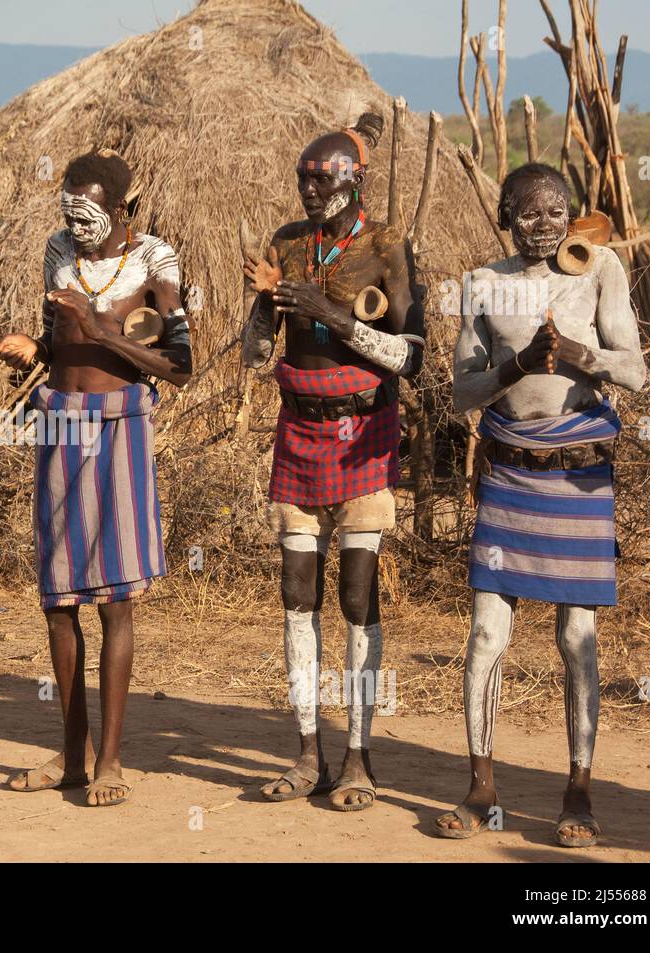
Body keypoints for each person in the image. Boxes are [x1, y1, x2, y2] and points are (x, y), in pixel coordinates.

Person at [436, 163, 645, 847]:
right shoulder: (484, 284)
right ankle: (480, 785)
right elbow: (463, 393)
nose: (544, 225)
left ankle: (578, 791)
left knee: (576, 640)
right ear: (505, 213)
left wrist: (582, 355)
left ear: (571, 215)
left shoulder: (600, 269)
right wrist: (518, 365)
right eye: (529, 212)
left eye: (556, 212)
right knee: (485, 637)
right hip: (508, 474)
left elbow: (635, 370)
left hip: (578, 481)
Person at [0, 149, 193, 806]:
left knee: (114, 601)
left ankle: (110, 760)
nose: (75, 225)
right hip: (58, 427)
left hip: (120, 430)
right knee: (57, 600)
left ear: (121, 209)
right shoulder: (58, 250)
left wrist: (94, 327)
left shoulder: (156, 262)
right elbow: (63, 340)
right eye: (68, 212)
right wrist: (42, 346)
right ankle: (72, 755)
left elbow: (177, 363)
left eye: (88, 213)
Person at [239, 112, 425, 811]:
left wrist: (335, 313)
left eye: (322, 176)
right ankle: (306, 748)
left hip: (363, 434)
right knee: (295, 595)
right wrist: (263, 307)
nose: (309, 188)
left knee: (355, 597)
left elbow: (411, 354)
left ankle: (359, 756)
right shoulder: (286, 246)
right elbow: (260, 357)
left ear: (355, 178)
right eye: (302, 178)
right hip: (299, 431)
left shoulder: (387, 247)